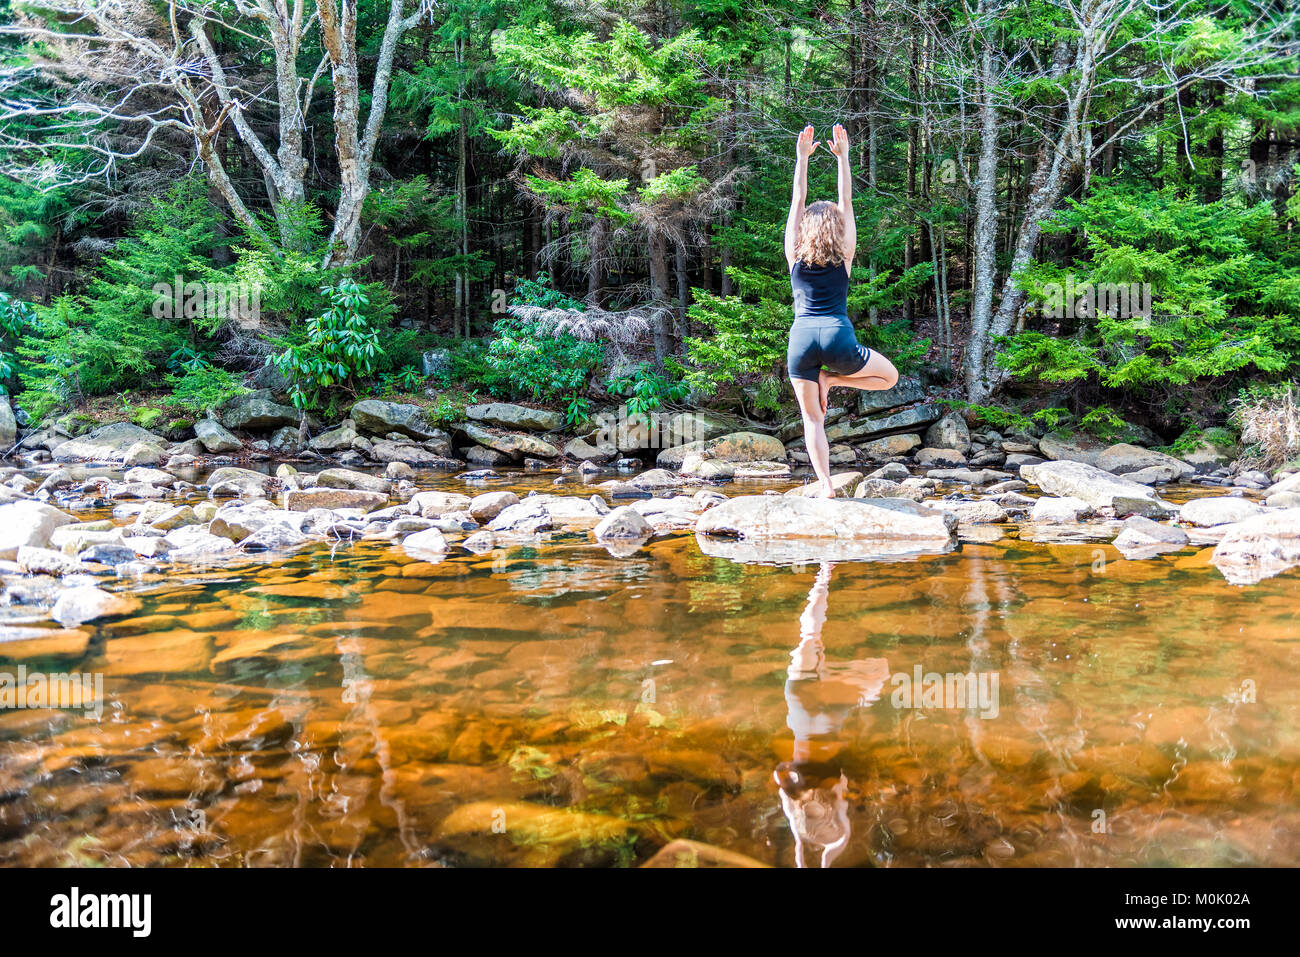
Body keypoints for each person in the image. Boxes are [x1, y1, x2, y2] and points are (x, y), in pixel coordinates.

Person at [785, 124, 900, 497]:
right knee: (890, 377)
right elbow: (846, 202)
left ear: (804, 230)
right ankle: (832, 380)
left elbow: (797, 200)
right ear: (835, 230)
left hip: (801, 340)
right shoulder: (845, 257)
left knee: (812, 420)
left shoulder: (793, 257)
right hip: (838, 336)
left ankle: (826, 485)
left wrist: (802, 159)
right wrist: (844, 158)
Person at [774, 562, 890, 867]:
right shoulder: (793, 799)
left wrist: (825, 861)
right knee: (809, 635)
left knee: (880, 673)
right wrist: (807, 857)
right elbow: (778, 772)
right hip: (800, 713)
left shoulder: (833, 793)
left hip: (831, 719)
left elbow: (843, 835)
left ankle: (831, 670)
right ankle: (823, 574)